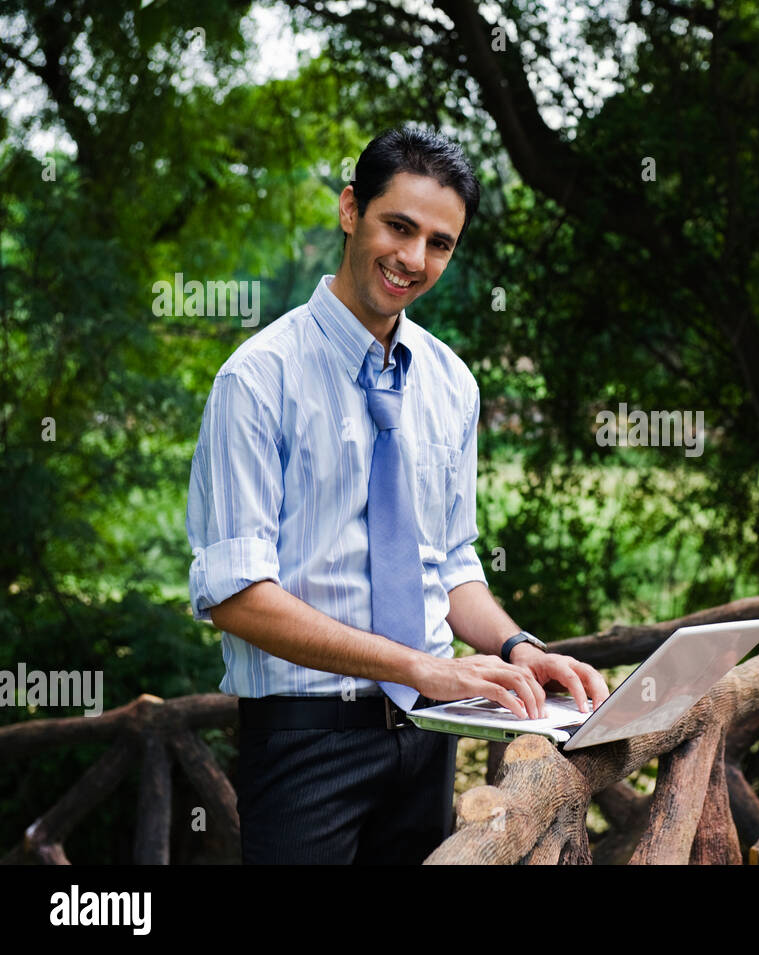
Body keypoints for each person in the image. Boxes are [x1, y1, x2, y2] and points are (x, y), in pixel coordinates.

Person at [185, 126, 608, 864]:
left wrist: (517, 645)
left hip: (428, 737)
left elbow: (451, 566)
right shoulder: (256, 380)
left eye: (439, 243)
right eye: (399, 227)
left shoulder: (453, 383)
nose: (414, 260)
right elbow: (237, 595)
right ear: (351, 209)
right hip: (303, 738)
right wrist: (417, 665)